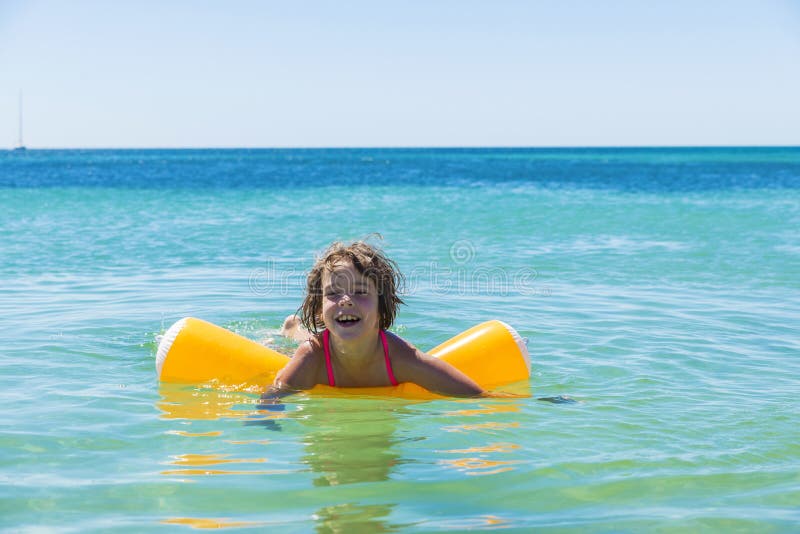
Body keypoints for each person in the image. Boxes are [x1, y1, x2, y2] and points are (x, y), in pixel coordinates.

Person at [264, 239, 518, 399]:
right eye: (333, 293)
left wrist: (539, 402)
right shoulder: (312, 356)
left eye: (361, 292)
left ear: (381, 308)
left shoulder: (401, 358)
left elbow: (475, 395)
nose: (346, 300)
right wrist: (265, 418)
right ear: (320, 310)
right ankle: (292, 328)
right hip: (321, 347)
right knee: (298, 343)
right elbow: (273, 396)